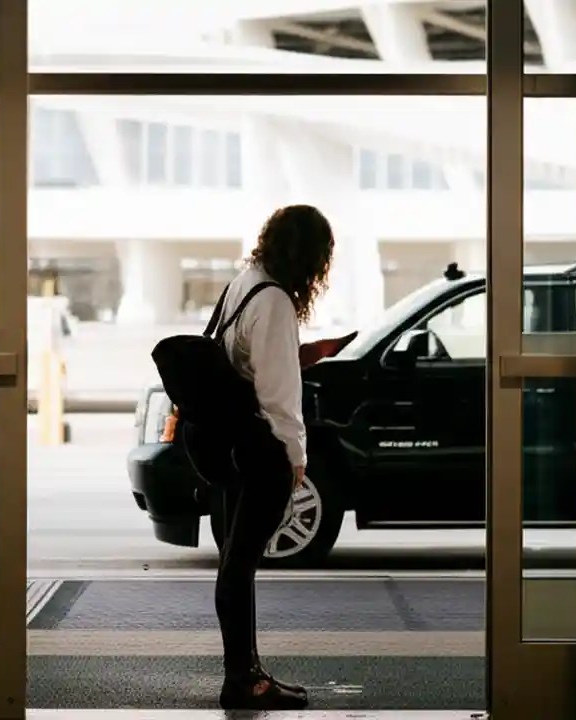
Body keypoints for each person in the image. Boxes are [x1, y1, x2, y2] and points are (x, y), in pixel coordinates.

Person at [185, 204, 335, 711]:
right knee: (239, 564)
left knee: (236, 562)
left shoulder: (246, 281)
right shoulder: (273, 301)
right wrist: (295, 456)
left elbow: (241, 361)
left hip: (221, 442)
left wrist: (305, 352)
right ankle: (241, 679)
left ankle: (245, 674)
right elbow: (275, 392)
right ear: (309, 257)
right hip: (256, 448)